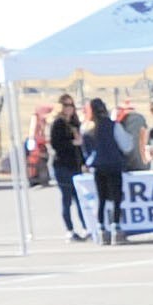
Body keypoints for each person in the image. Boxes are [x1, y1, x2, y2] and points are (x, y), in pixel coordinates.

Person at [81, 98, 127, 246]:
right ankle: (116, 228)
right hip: (113, 163)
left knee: (101, 198)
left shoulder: (86, 129)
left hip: (98, 166)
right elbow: (126, 145)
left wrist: (90, 162)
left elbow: (86, 152)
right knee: (116, 197)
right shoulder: (113, 126)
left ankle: (101, 228)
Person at [48, 96, 88, 241]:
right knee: (67, 198)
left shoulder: (74, 122)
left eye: (71, 105)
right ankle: (70, 230)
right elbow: (55, 144)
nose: (69, 108)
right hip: (62, 166)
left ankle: (86, 227)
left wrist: (84, 162)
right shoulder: (58, 123)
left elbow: (80, 146)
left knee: (79, 198)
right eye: (66, 105)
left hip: (75, 165)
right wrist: (72, 142)